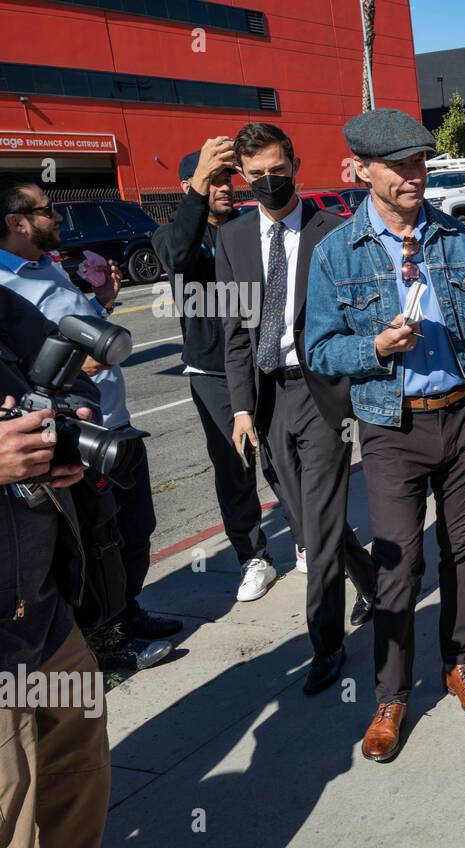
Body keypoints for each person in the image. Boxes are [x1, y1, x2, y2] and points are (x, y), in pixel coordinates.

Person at [305, 109, 465, 762]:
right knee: (398, 565)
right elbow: (320, 350)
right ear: (361, 170)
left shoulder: (457, 239)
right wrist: (376, 345)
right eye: (401, 164)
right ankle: (391, 696)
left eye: (421, 161)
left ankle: (461, 663)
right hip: (392, 424)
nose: (416, 173)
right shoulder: (337, 251)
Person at [218, 123, 375, 697]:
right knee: (310, 520)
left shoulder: (332, 232)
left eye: (276, 172)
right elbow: (236, 334)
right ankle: (376, 582)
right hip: (266, 400)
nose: (266, 182)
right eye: (254, 175)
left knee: (320, 525)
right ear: (242, 176)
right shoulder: (232, 240)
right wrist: (240, 411)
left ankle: (326, 645)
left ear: (295, 165)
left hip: (321, 394)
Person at [0, 173, 179, 670]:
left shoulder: (47, 264)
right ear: (16, 222)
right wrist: (79, 364)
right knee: (100, 542)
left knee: (135, 528)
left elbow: (74, 328)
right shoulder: (4, 285)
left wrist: (101, 302)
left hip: (111, 423)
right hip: (67, 443)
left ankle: (130, 612)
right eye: (45, 209)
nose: (57, 217)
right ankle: (106, 638)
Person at [0, 283, 109, 848]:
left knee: (78, 784)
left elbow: (70, 370)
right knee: (7, 811)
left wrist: (68, 420)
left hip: (44, 612)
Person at [152, 139, 277, 602]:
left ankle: (309, 540)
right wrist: (198, 190)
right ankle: (254, 557)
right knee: (235, 466)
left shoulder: (250, 228)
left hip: (264, 362)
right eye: (213, 179)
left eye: (228, 178)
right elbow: (181, 257)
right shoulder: (171, 236)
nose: (224, 186)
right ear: (190, 185)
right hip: (212, 374)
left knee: (283, 458)